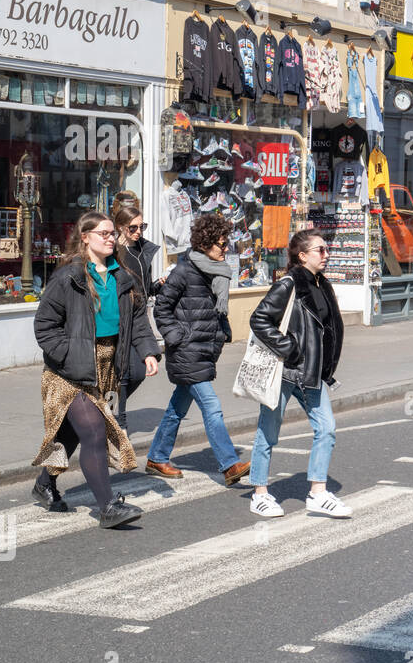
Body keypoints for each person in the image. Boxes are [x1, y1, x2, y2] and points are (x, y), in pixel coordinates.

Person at [31, 211, 161, 528]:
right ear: (85, 237)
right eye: (102, 233)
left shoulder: (122, 277)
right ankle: (107, 507)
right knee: (93, 430)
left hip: (106, 367)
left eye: (111, 233)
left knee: (73, 432)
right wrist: (69, 355)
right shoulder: (69, 278)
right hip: (68, 370)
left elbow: (139, 322)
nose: (109, 238)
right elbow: (45, 327)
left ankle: (44, 483)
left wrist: (148, 352)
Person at [246, 229, 350, 519]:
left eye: (326, 249)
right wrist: (289, 348)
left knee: (326, 429)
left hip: (313, 374)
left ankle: (317, 493)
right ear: (302, 256)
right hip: (285, 372)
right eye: (320, 250)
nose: (326, 255)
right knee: (268, 431)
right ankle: (260, 493)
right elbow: (259, 319)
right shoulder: (289, 284)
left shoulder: (322, 284)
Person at [145, 213, 250, 484]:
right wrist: (177, 336)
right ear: (205, 243)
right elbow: (162, 307)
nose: (226, 249)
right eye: (221, 244)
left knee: (177, 409)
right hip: (187, 351)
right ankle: (229, 464)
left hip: (203, 350)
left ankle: (157, 457)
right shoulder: (184, 271)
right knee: (212, 407)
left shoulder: (214, 273)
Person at [112, 204, 164, 431]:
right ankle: (119, 422)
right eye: (133, 227)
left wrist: (158, 286)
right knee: (123, 372)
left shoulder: (143, 251)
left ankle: (108, 407)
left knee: (138, 372)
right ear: (120, 227)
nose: (138, 232)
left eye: (142, 226)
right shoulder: (113, 253)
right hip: (119, 316)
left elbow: (145, 288)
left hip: (139, 315)